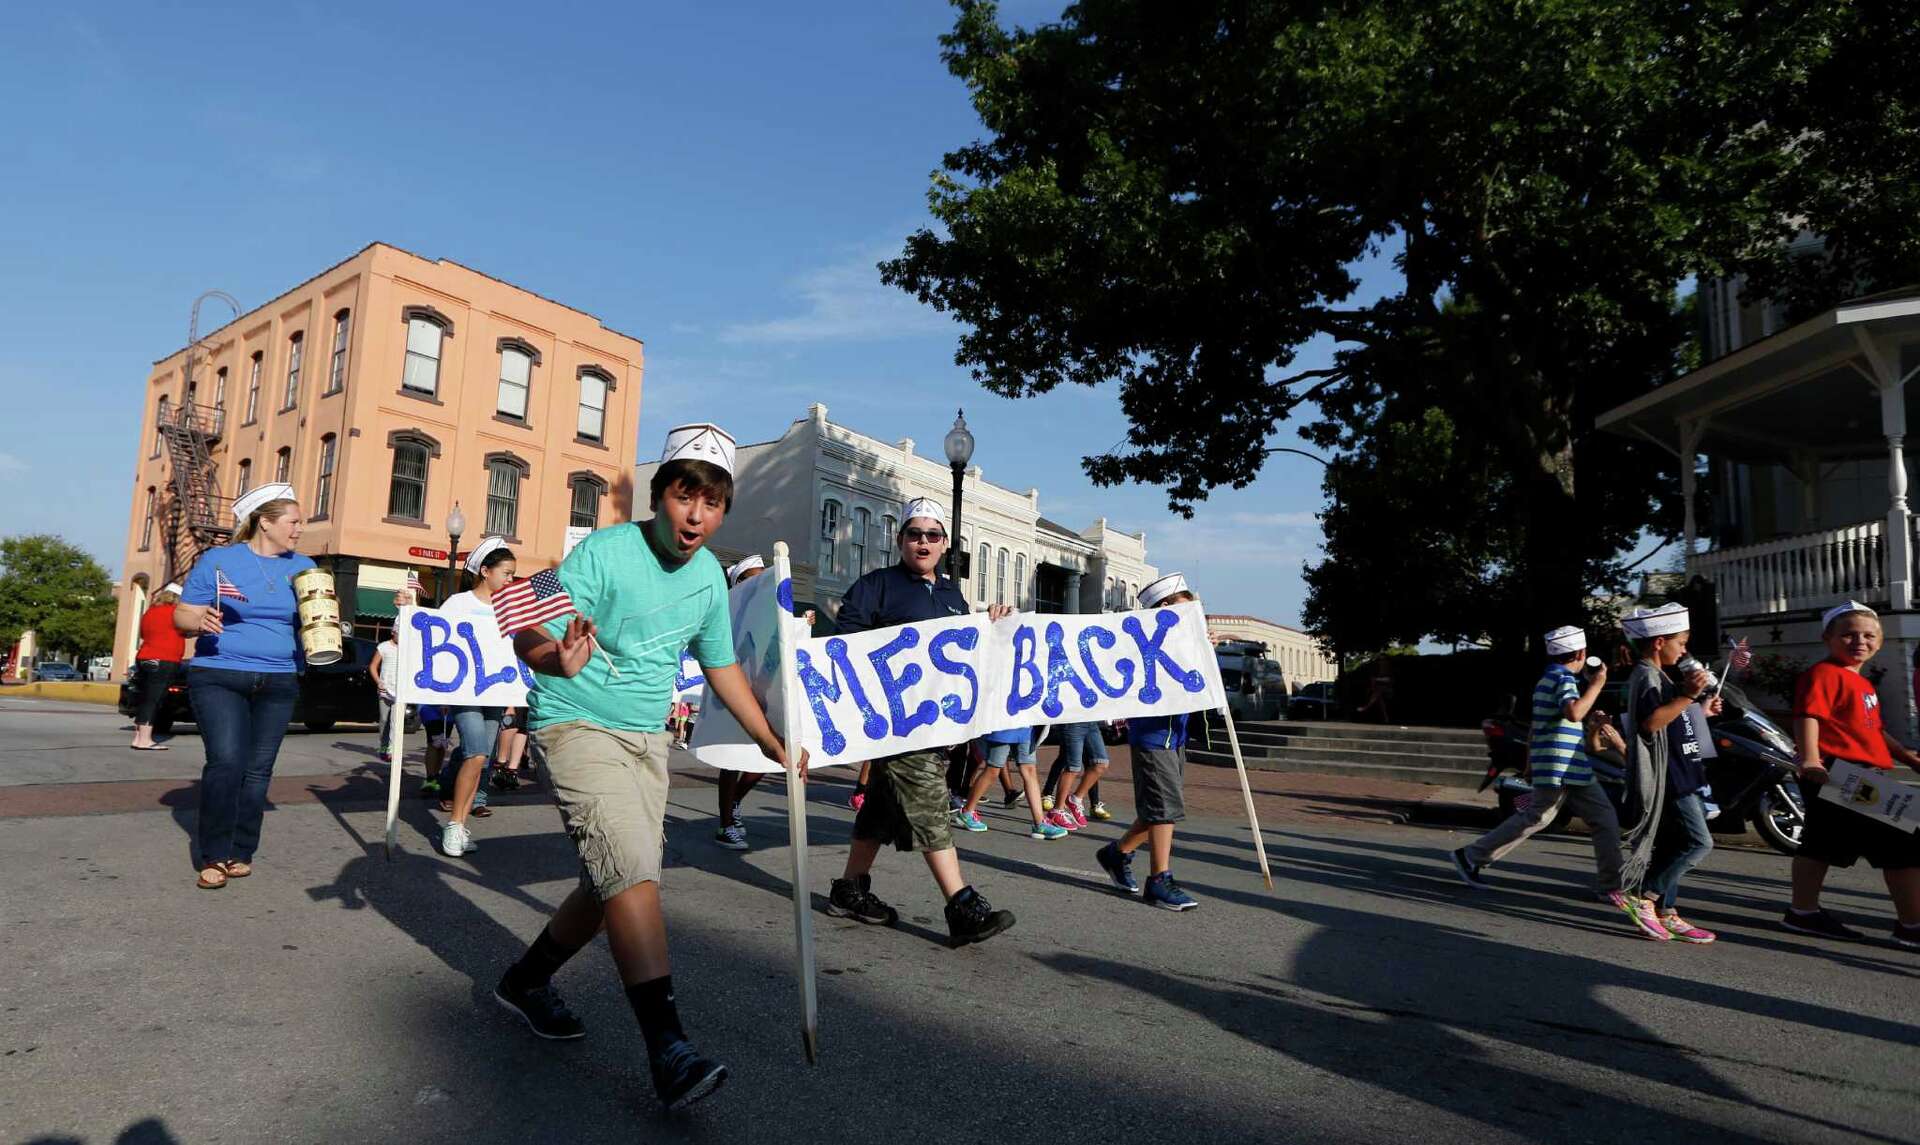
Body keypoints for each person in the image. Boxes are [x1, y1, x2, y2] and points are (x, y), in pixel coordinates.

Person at [492, 423, 801, 1112]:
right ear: (659, 496)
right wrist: (553, 657)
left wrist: (771, 737)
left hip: (645, 740)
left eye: (713, 502)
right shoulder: (604, 550)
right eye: (685, 496)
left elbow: (720, 664)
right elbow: (521, 619)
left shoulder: (709, 581)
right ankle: (669, 1047)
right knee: (632, 871)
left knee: (608, 887)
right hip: (576, 722)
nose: (697, 514)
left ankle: (525, 980)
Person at [825, 498, 1017, 946]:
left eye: (933, 535)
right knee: (929, 802)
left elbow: (967, 650)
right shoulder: (876, 586)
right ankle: (961, 905)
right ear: (901, 541)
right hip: (895, 725)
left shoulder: (952, 595)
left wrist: (992, 624)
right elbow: (847, 645)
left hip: (939, 728)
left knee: (879, 809)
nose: (923, 542)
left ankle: (850, 890)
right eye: (915, 534)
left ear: (946, 544)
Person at [1447, 625, 1662, 937]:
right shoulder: (1562, 679)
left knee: (1593, 819)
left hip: (1564, 765)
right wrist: (1598, 684)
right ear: (1579, 654)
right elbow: (1574, 713)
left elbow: (1539, 724)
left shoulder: (1551, 678)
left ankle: (1610, 886)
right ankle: (1470, 856)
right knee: (1554, 817)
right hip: (1563, 766)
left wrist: (1531, 761)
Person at [171, 483, 314, 891]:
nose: (299, 529)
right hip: (219, 673)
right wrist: (197, 622)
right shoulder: (220, 560)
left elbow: (319, 619)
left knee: (257, 770)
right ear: (265, 523)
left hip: (279, 679)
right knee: (227, 762)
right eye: (293, 522)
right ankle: (213, 854)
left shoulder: (305, 567)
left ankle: (240, 850)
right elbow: (183, 614)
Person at [1783, 601, 1920, 950]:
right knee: (1907, 840)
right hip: (1840, 773)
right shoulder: (1825, 674)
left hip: (1850, 773)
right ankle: (1911, 925)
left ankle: (1803, 912)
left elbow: (1874, 730)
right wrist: (1811, 759)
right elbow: (1807, 716)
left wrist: (1905, 755)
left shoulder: (1860, 682)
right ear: (1828, 637)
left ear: (1880, 641)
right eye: (1849, 634)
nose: (1860, 641)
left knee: (1819, 844)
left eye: (1869, 635)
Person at [1094, 574, 1206, 911]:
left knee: (1158, 810)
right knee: (1164, 810)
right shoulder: (1148, 644)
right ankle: (1159, 879)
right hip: (1154, 736)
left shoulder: (1184, 642)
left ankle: (1117, 853)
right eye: (1184, 612)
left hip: (1175, 736)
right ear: (1166, 610)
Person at [1629, 608, 1723, 944]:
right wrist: (1688, 695)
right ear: (1658, 642)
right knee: (1699, 842)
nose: (1684, 651)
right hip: (1670, 776)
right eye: (1680, 644)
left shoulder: (1662, 676)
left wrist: (1700, 710)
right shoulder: (1647, 676)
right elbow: (1650, 723)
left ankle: (1666, 912)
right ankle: (1645, 897)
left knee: (1674, 844)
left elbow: (1674, 721)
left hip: (1685, 770)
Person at [433, 538, 517, 857]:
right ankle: (453, 826)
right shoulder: (458, 603)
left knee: (482, 761)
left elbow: (513, 653)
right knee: (476, 753)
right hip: (464, 691)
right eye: (506, 573)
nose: (510, 579)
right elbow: (437, 643)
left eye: (513, 574)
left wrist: (512, 695)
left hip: (495, 693)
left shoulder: (508, 609)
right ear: (486, 571)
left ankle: (461, 824)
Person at [712, 554, 772, 851]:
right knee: (730, 758)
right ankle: (725, 824)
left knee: (771, 755)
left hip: (761, 692)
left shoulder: (767, 610)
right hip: (732, 690)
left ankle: (735, 800)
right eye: (753, 579)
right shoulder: (726, 612)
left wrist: (800, 624)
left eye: (763, 578)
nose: (760, 584)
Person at [956, 727, 1070, 839]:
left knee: (1029, 769)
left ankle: (1040, 824)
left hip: (1025, 726)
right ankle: (967, 812)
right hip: (1003, 726)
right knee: (993, 769)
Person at [129, 582, 186, 750]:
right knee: (155, 699)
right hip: (164, 658)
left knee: (146, 698)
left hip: (144, 657)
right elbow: (187, 629)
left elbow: (143, 634)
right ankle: (145, 739)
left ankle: (138, 737)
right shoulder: (176, 613)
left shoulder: (149, 613)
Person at [1046, 721, 1112, 823]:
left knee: (1101, 764)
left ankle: (1075, 799)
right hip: (1073, 723)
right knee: (1073, 768)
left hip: (1092, 722)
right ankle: (1057, 811)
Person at [368, 631, 401, 763]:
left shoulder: (406, 648)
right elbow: (373, 666)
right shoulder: (383, 647)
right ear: (393, 633)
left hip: (399, 691)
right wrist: (379, 682)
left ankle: (392, 750)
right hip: (385, 690)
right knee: (384, 720)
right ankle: (383, 745)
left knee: (395, 722)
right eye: (399, 633)